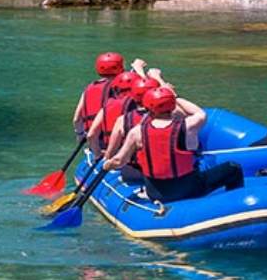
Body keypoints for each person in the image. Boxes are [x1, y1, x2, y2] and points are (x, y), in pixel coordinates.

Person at [104, 87, 244, 203]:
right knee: (233, 168)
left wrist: (107, 164)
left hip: (156, 192)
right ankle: (235, 205)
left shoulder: (137, 132)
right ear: (172, 106)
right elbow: (199, 113)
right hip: (189, 188)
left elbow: (119, 161)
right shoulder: (188, 126)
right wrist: (175, 97)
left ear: (148, 108)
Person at [72, 52, 124, 143]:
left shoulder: (89, 88)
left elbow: (77, 119)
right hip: (115, 141)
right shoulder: (122, 88)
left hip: (95, 141)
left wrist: (80, 135)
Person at [86, 70, 139, 157]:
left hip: (109, 150)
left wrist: (98, 154)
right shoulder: (146, 109)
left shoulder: (108, 105)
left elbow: (91, 135)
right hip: (132, 158)